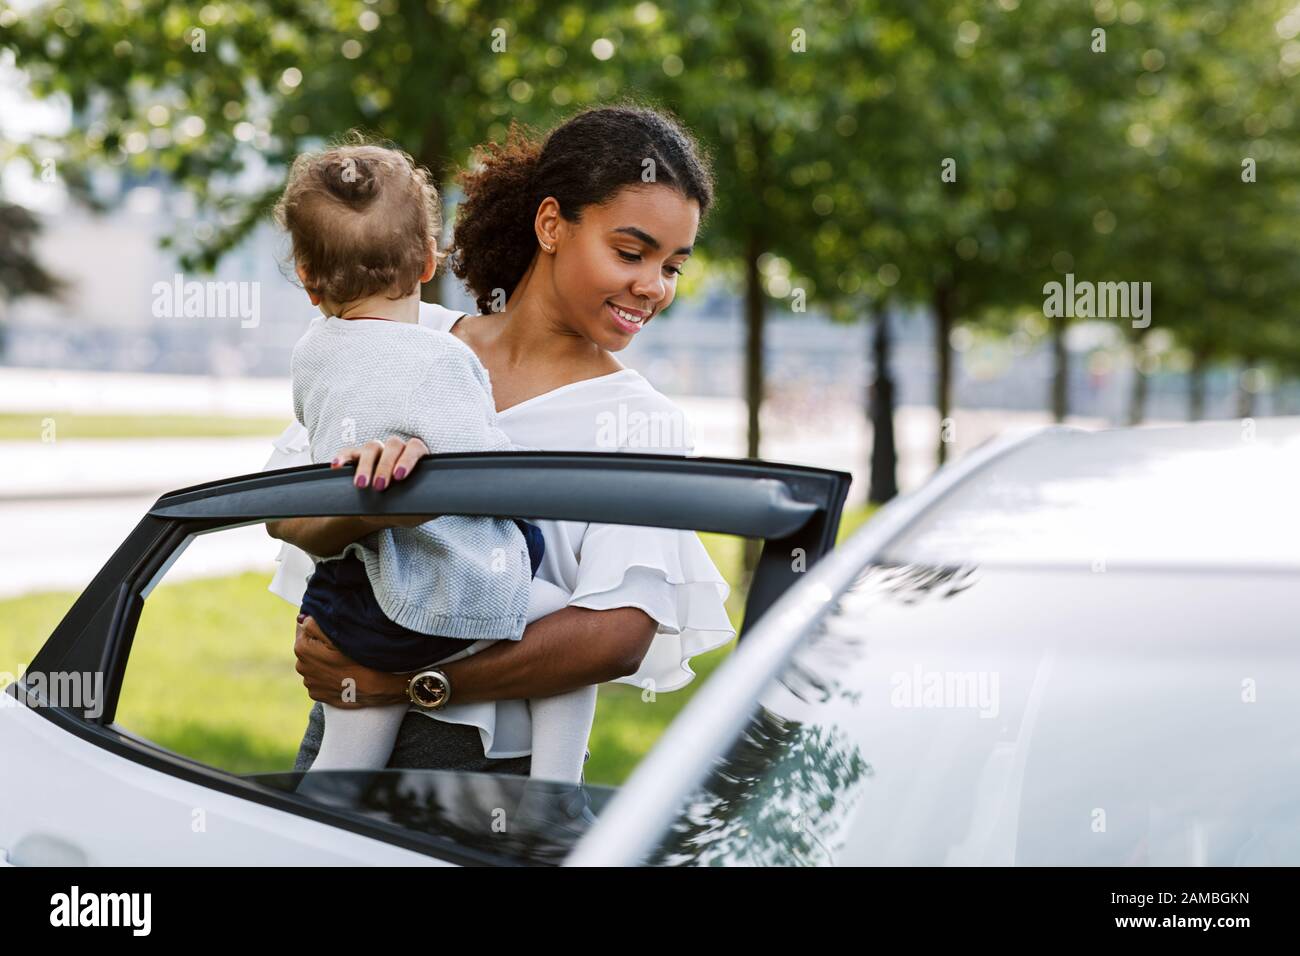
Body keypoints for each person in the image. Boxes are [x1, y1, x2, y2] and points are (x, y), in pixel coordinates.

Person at [266, 105, 734, 823]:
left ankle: (560, 806)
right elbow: (286, 513)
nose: (654, 286)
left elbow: (617, 635)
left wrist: (404, 682)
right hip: (336, 732)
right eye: (631, 252)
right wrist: (370, 503)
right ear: (551, 225)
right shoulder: (394, 331)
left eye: (672, 266)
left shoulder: (640, 423)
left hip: (487, 793)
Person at [274, 139, 590, 785]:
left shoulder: (311, 354)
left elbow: (305, 470)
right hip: (440, 586)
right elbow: (481, 471)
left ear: (306, 278)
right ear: (427, 261)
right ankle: (557, 796)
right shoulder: (439, 359)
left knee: (342, 767)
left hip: (352, 602)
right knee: (560, 619)